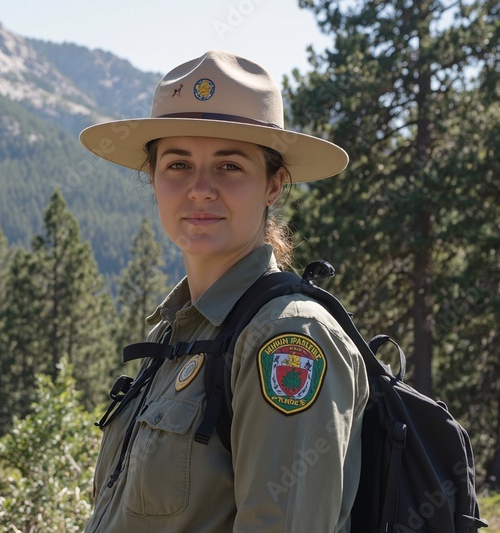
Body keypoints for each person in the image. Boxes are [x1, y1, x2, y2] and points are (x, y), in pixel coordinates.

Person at [78, 50, 369, 532]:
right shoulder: (185, 333)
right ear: (153, 178)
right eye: (177, 165)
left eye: (229, 167)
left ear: (274, 185)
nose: (199, 189)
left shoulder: (288, 339)